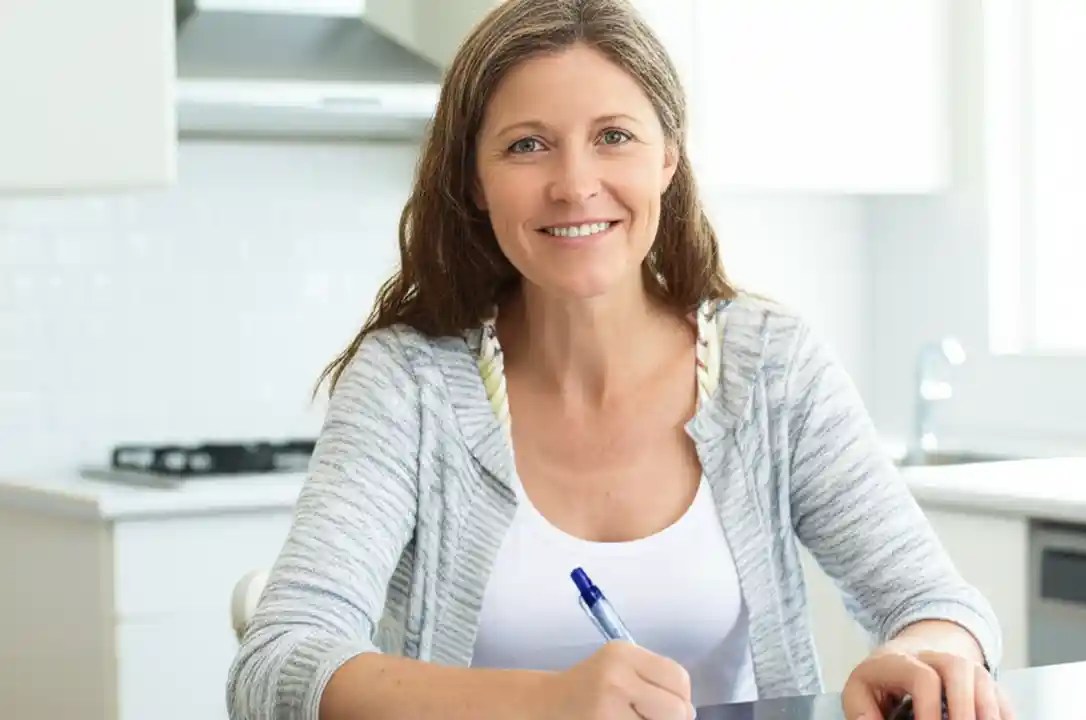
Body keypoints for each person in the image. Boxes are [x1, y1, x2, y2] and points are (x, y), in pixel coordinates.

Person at [227, 1, 1015, 718]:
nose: (575, 185)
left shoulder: (770, 367)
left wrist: (924, 655)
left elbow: (933, 601)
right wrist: (543, 704)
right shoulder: (408, 384)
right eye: (527, 145)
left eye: (615, 136)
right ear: (474, 179)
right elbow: (275, 663)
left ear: (668, 158)